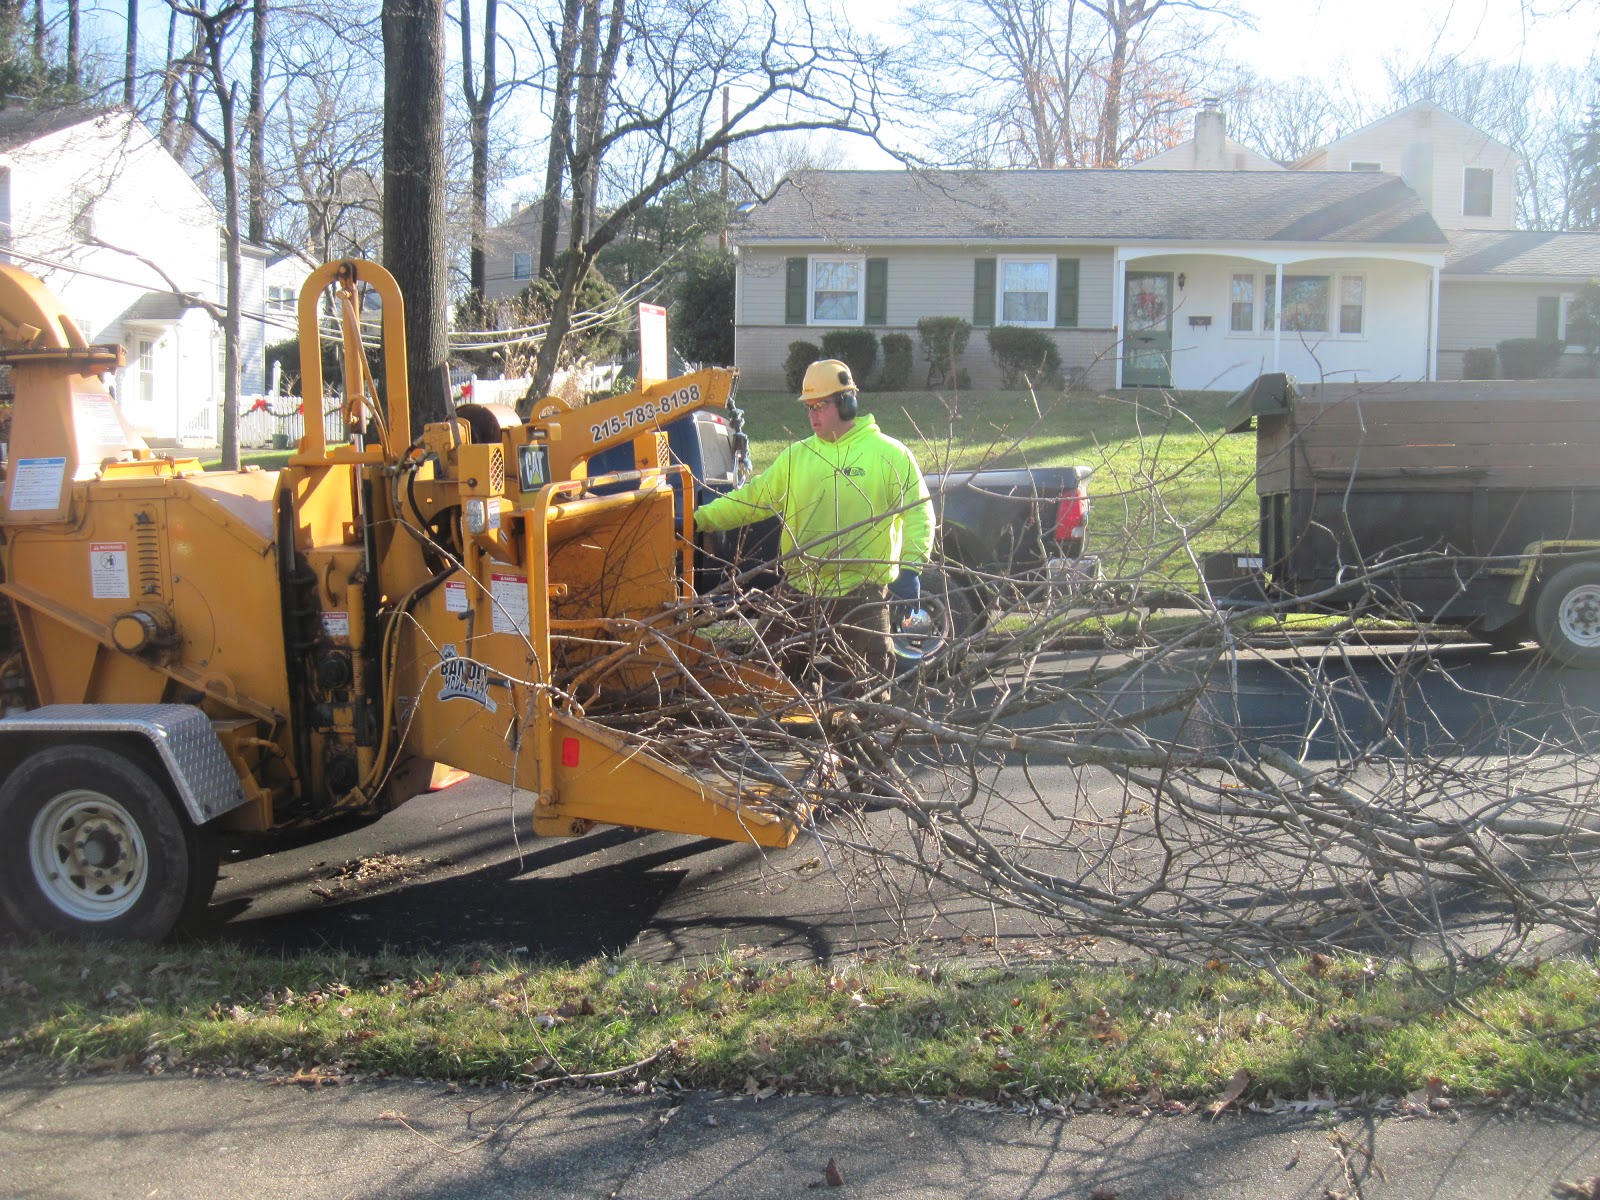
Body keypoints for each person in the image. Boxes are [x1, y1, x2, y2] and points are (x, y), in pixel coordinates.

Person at [694, 359, 935, 696]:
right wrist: (699, 518)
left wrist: (910, 568)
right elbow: (752, 498)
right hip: (799, 590)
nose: (812, 414)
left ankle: (858, 747)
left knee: (866, 695)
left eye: (821, 405)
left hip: (861, 596)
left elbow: (919, 515)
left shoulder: (891, 455)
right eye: (809, 407)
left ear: (847, 404)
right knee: (759, 681)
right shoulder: (797, 456)